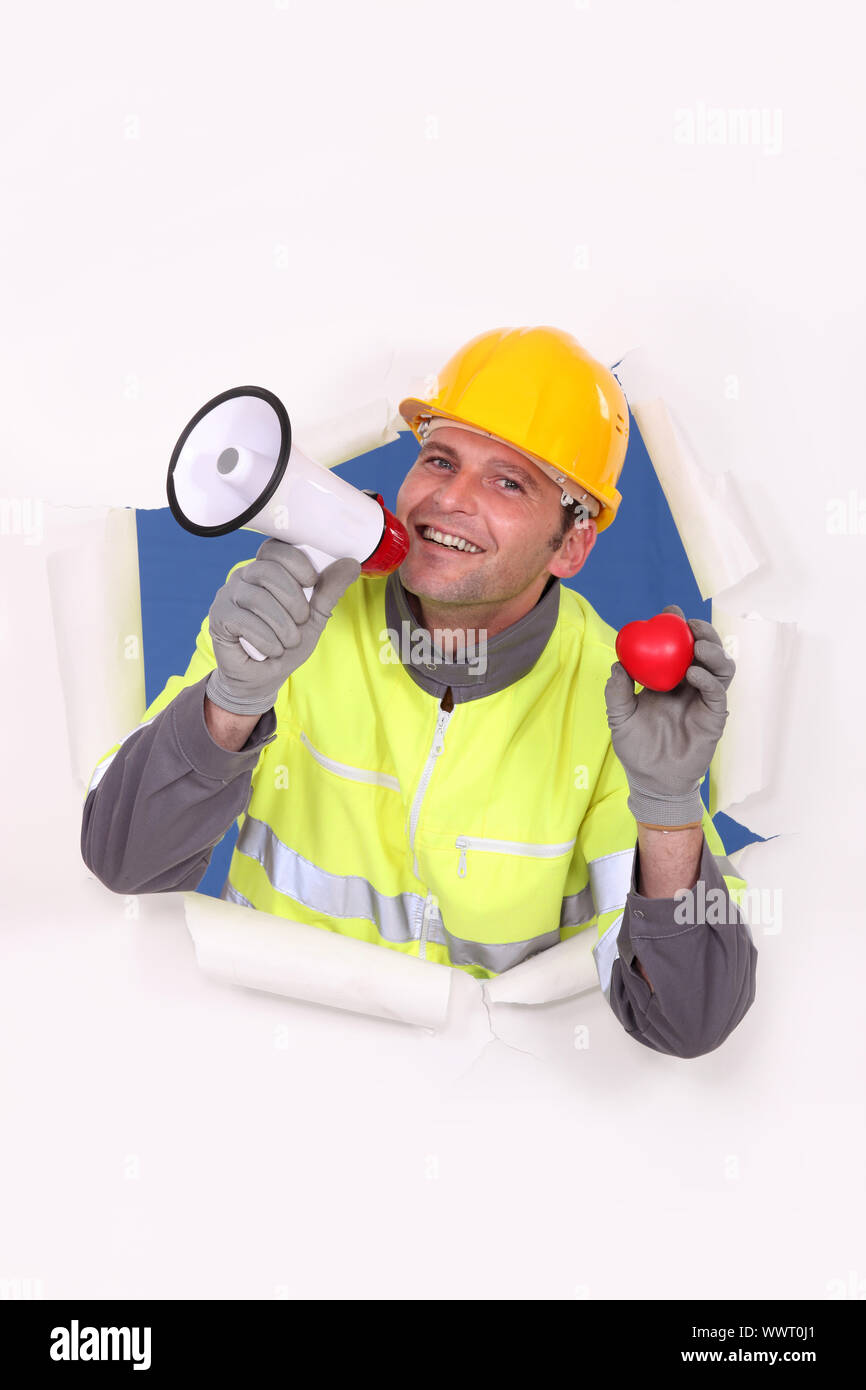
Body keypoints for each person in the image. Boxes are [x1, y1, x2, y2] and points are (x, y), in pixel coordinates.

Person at [81, 326, 757, 1058]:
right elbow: (125, 862)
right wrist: (232, 702)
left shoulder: (621, 706)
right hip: (270, 1067)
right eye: (440, 458)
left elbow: (688, 1022)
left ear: (572, 544)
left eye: (508, 481)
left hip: (488, 1107)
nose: (449, 500)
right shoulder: (287, 620)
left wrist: (666, 810)